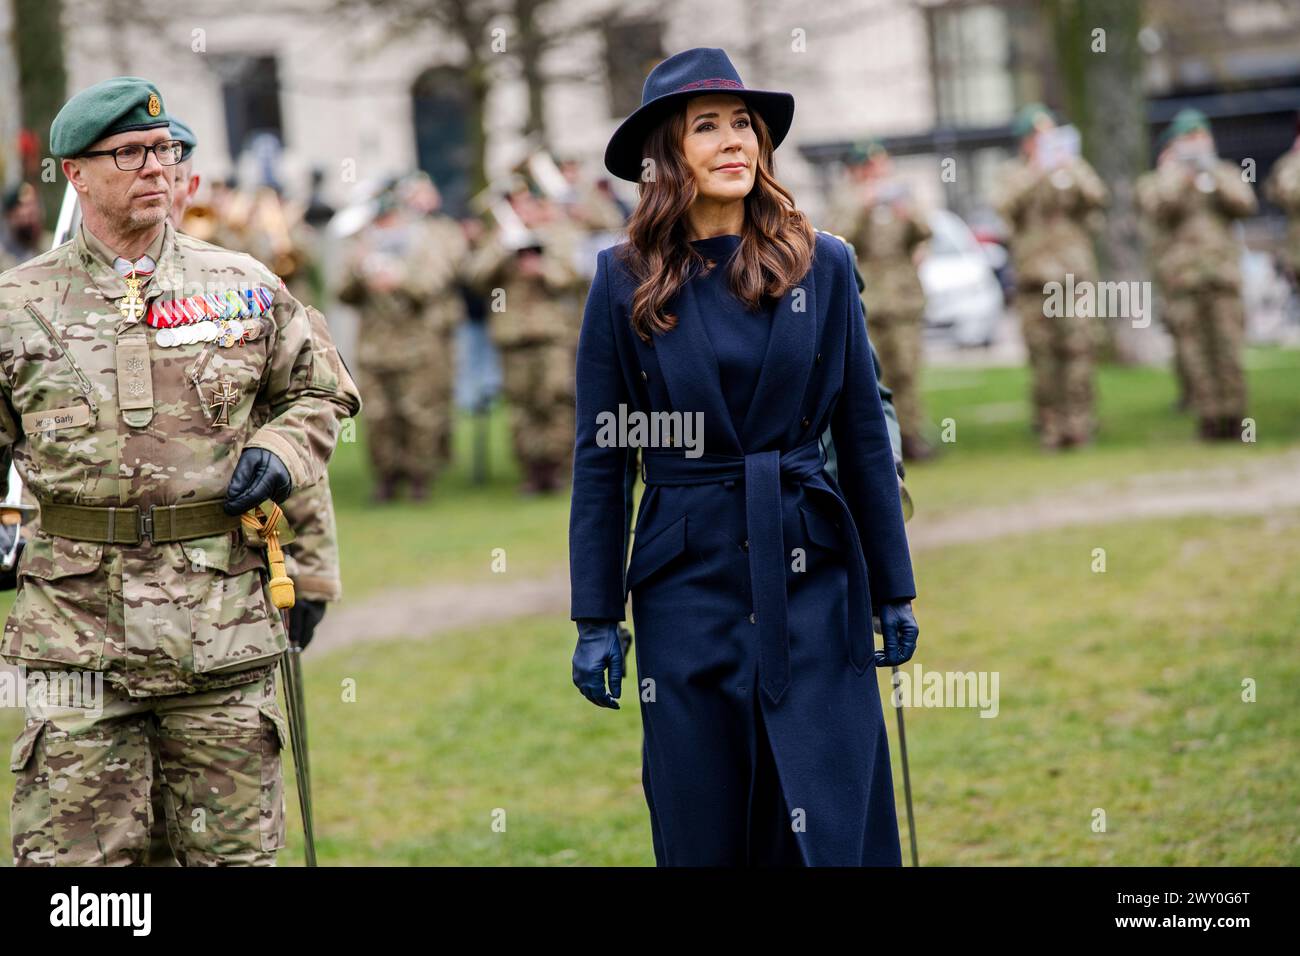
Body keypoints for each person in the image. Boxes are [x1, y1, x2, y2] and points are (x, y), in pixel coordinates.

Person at [568, 48, 919, 866]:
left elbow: (865, 433)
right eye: (707, 127)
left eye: (743, 126)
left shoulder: (823, 263)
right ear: (666, 154)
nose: (734, 143)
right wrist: (595, 617)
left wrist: (892, 588)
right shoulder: (621, 280)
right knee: (706, 818)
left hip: (816, 568)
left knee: (831, 812)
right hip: (685, 582)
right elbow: (602, 458)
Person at [0, 77, 361, 866]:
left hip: (222, 629)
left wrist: (284, 449)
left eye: (166, 150)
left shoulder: (243, 287)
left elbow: (321, 390)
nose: (157, 167)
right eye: (131, 152)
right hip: (73, 643)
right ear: (75, 172)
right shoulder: (15, 306)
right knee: (78, 881)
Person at [337, 181, 463, 500]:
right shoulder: (362, 246)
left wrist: (400, 280)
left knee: (418, 414)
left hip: (416, 344)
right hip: (374, 347)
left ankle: (420, 478)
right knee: (379, 416)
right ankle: (387, 478)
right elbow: (342, 294)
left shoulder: (423, 242)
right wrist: (358, 269)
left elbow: (434, 284)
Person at [1137, 108, 1257, 440]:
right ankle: (1208, 419)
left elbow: (1245, 204)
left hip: (1223, 277)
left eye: (1200, 137)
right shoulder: (1163, 179)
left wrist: (1212, 174)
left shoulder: (1226, 172)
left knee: (1229, 349)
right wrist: (1180, 175)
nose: (1196, 144)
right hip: (1183, 280)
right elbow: (1159, 210)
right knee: (1195, 353)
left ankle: (1235, 418)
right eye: (1188, 139)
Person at [994, 103, 1108, 449]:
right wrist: (1036, 171)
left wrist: (1067, 169)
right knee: (1042, 357)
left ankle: (1079, 423)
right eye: (1036, 137)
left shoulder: (1072, 168)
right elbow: (1005, 206)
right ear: (1025, 142)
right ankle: (1051, 426)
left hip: (1073, 279)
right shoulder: (1013, 174)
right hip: (1033, 280)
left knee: (1078, 351)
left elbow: (1098, 197)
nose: (1043, 142)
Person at [466, 185, 585, 493]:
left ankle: (559, 466)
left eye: (526, 203)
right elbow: (476, 279)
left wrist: (543, 269)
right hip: (512, 335)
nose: (522, 210)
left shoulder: (558, 233)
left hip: (553, 333)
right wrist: (502, 248)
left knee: (556, 398)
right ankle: (532, 470)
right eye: (515, 204)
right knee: (522, 404)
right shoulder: (498, 239)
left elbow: (575, 275)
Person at [828, 140, 933, 460]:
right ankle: (878, 443)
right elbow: (838, 238)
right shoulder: (845, 200)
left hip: (901, 298)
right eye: (871, 165)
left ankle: (912, 436)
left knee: (907, 371)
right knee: (871, 377)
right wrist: (865, 204)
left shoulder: (900, 196)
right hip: (866, 299)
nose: (878, 171)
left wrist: (908, 214)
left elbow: (925, 232)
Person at [0, 181, 48, 270]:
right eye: (26, 217)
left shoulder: (51, 245)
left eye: (34, 214)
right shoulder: (4, 260)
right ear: (10, 217)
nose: (31, 221)